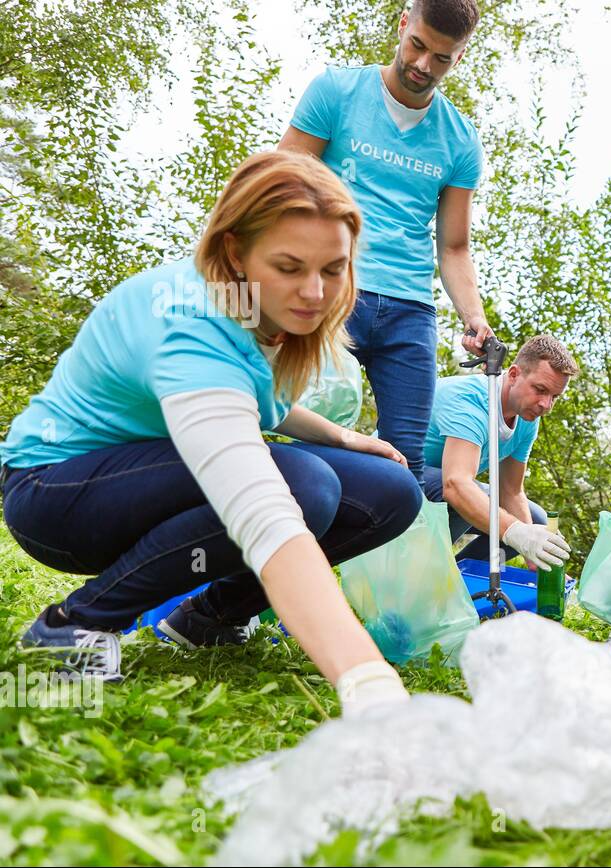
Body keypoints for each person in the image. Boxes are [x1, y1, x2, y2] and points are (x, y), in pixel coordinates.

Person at [0, 151, 423, 717]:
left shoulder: (260, 311)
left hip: (148, 475)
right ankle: (76, 623)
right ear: (234, 252)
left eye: (332, 268)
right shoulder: (189, 321)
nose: (316, 294)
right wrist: (368, 683)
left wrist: (346, 439)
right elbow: (261, 509)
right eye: (290, 267)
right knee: (302, 485)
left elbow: (263, 408)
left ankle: (208, 619)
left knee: (390, 491)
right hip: (55, 493)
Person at [280, 0, 492, 484]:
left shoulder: (460, 141)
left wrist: (474, 318)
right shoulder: (337, 91)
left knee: (405, 469)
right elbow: (277, 184)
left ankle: (369, 556)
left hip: (409, 312)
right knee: (309, 448)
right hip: (331, 295)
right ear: (403, 24)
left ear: (459, 57)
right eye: (417, 45)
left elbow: (454, 247)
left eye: (441, 57)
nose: (423, 65)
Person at [422, 335, 576, 569]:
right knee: (469, 497)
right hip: (393, 475)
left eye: (554, 396)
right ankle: (428, 571)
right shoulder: (471, 401)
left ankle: (459, 579)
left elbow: (511, 491)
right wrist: (516, 532)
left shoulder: (527, 417)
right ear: (513, 374)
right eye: (540, 389)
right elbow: (455, 485)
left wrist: (532, 553)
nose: (546, 405)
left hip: (438, 486)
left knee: (535, 522)